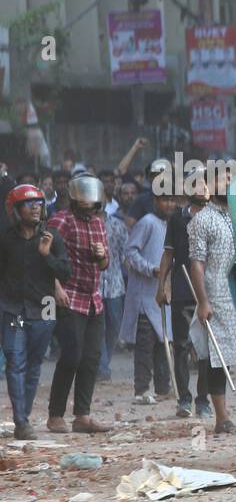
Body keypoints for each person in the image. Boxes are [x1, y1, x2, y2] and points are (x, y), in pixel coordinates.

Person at [187, 166, 236, 435]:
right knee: (218, 359)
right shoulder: (201, 220)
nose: (229, 181)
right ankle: (221, 418)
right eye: (222, 177)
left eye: (231, 177)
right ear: (208, 184)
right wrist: (202, 301)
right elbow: (196, 263)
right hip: (217, 294)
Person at [0, 185, 70, 440]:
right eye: (28, 204)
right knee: (15, 363)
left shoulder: (52, 237)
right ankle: (21, 421)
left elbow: (65, 272)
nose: (35, 208)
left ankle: (24, 417)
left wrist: (46, 256)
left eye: (38, 204)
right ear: (16, 210)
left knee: (34, 365)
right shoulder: (5, 239)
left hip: (46, 308)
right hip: (13, 308)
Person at [46, 172, 113, 434]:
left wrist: (101, 256)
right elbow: (45, 257)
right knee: (71, 356)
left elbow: (105, 263)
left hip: (94, 299)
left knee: (91, 359)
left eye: (91, 199)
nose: (87, 203)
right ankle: (55, 415)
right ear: (74, 198)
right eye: (83, 198)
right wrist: (56, 287)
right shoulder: (60, 221)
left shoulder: (99, 223)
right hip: (69, 297)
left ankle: (82, 416)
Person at [157, 178, 211, 418]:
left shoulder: (216, 217)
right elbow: (168, 255)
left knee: (207, 349)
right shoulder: (178, 219)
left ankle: (204, 400)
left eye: (206, 184)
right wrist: (162, 286)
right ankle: (184, 399)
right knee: (181, 345)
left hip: (210, 291)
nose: (203, 189)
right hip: (182, 288)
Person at [121, 185, 177, 404]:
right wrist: (151, 268)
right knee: (145, 346)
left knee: (164, 345)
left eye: (173, 200)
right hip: (145, 296)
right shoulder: (147, 223)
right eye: (165, 200)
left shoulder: (173, 225)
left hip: (165, 295)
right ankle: (141, 390)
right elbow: (129, 252)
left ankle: (163, 388)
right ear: (156, 200)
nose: (170, 204)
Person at [98, 200, 129, 382]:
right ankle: (102, 367)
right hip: (93, 284)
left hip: (115, 284)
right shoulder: (84, 225)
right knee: (99, 327)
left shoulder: (117, 225)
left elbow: (126, 254)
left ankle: (104, 361)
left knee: (114, 325)